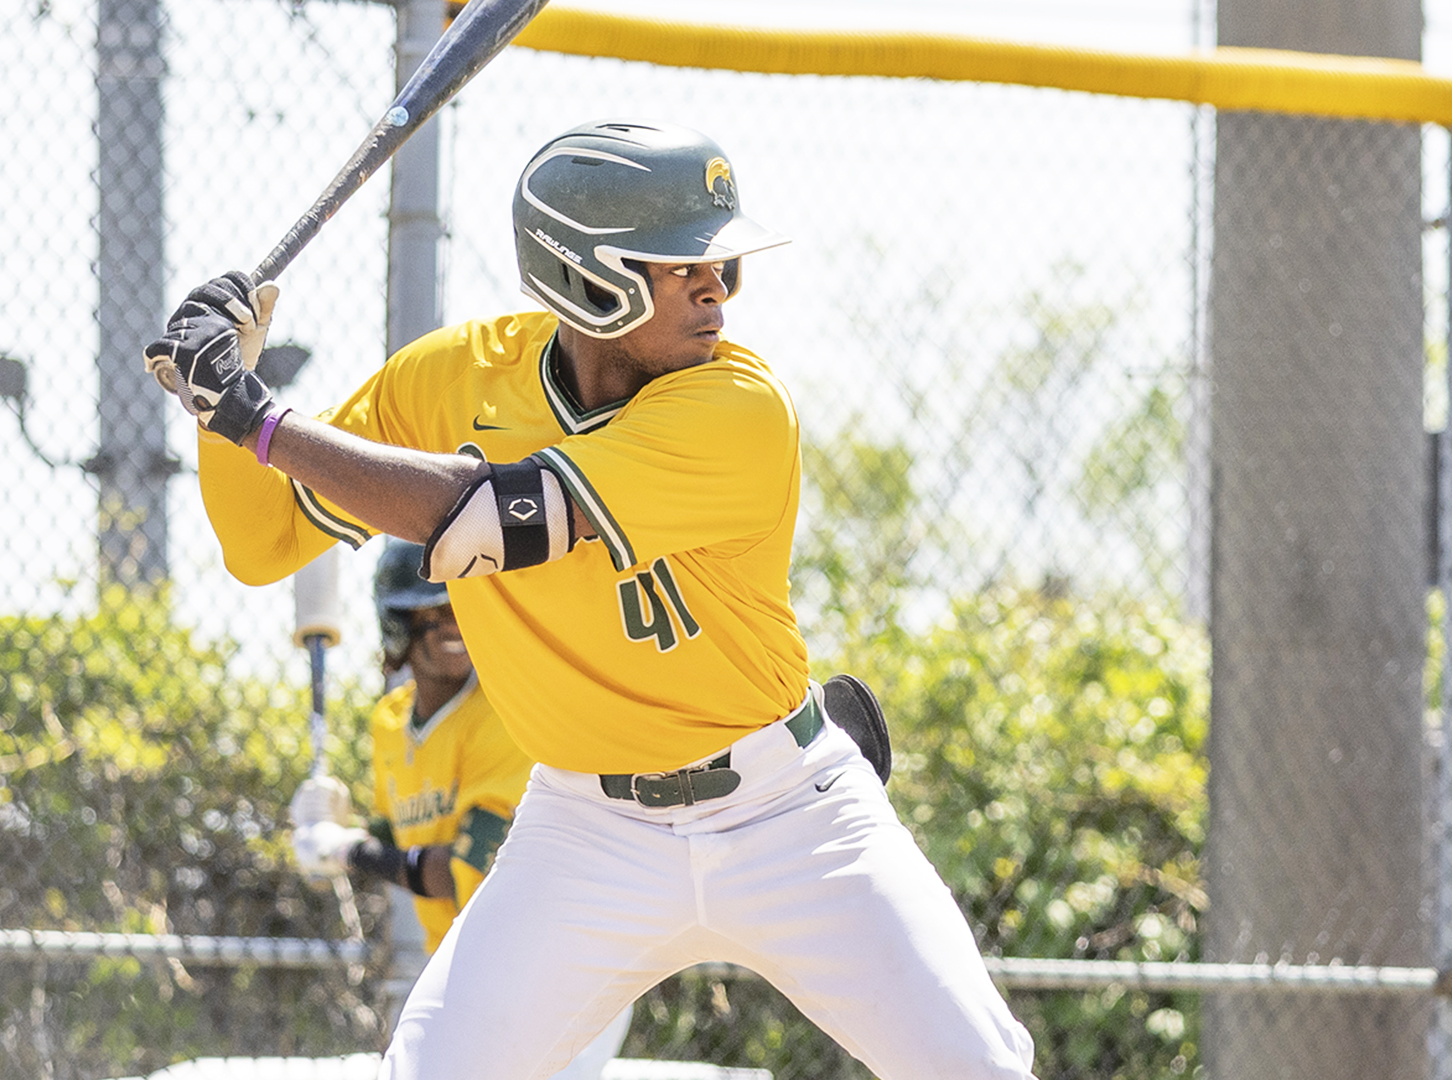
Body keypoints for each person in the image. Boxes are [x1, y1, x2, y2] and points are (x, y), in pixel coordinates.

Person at [146, 119, 1037, 1080]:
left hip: (788, 813)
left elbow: (491, 519)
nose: (717, 290)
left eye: (720, 265)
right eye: (680, 265)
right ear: (585, 277)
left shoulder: (739, 405)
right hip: (587, 831)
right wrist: (219, 414)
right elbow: (260, 539)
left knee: (976, 1066)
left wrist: (255, 413)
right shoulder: (456, 377)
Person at [288, 538, 632, 1078]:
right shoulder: (390, 723)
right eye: (434, 608)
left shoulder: (503, 715)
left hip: (558, 969)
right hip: (471, 972)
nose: (453, 623)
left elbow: (458, 869)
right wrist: (330, 826)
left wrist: (344, 851)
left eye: (462, 605)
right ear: (399, 622)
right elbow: (399, 843)